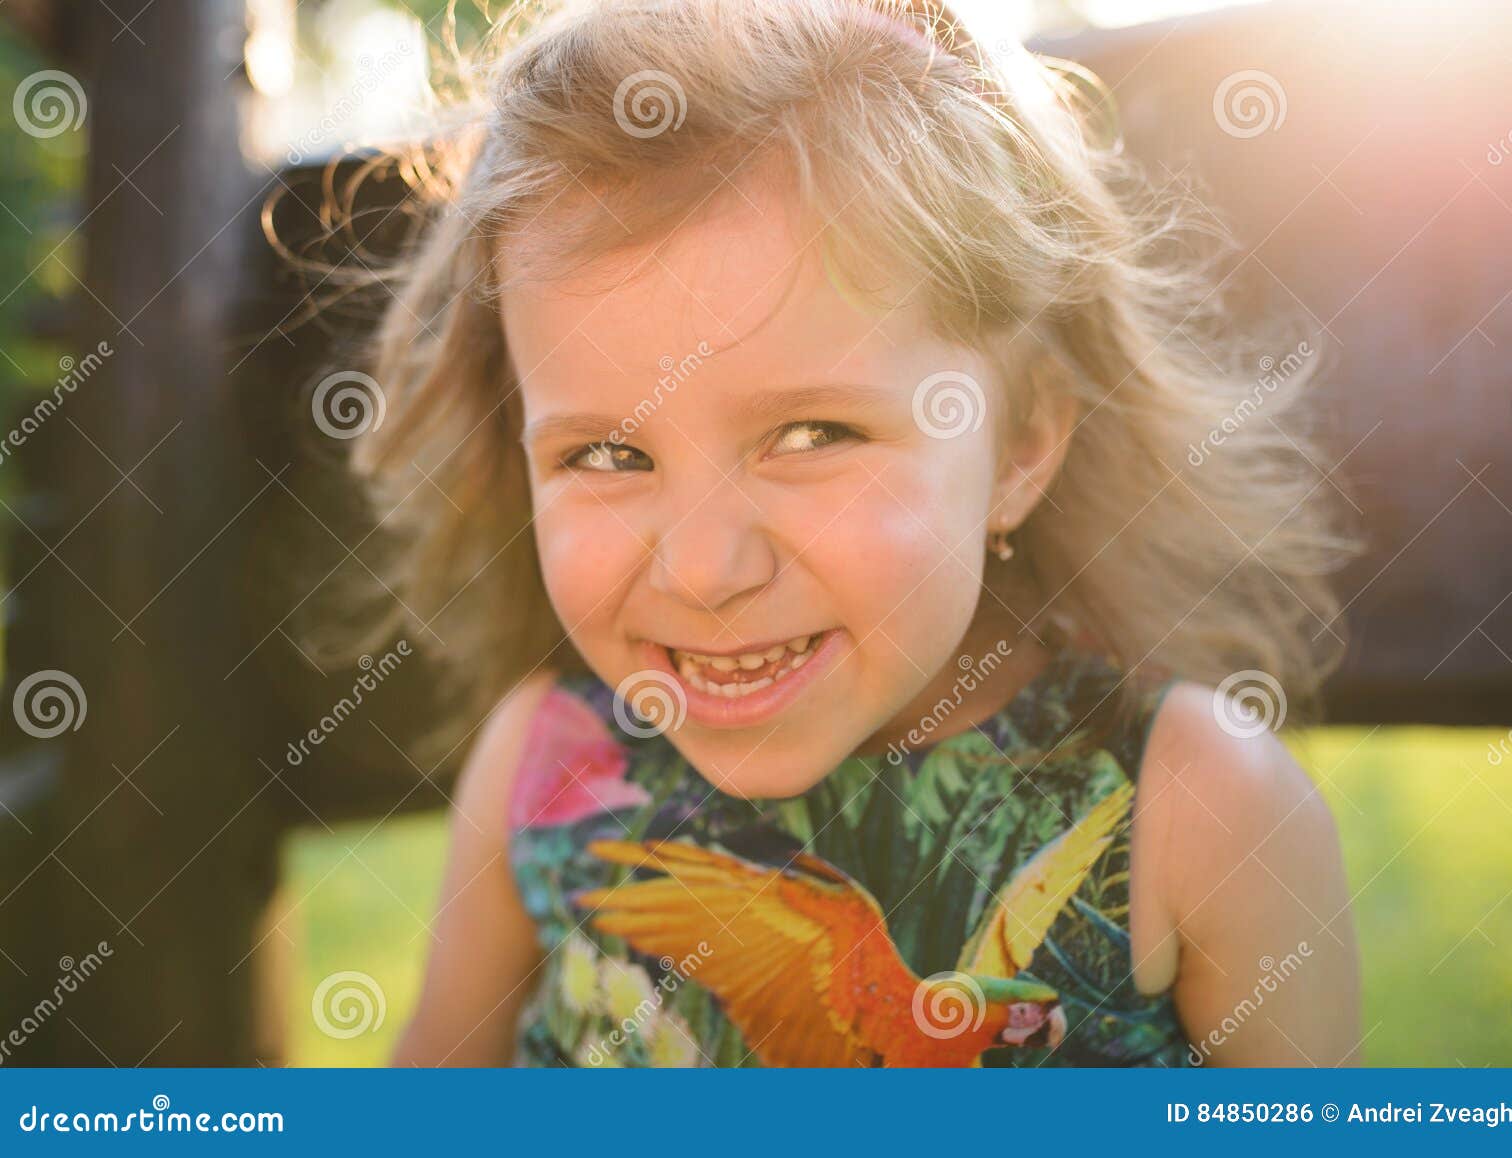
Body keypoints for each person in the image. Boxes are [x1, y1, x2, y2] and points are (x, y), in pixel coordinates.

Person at [346, 0, 1360, 1067]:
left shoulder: (1193, 810)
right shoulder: (543, 763)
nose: (701, 568)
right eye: (607, 455)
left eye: (812, 433)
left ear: (1018, 445)